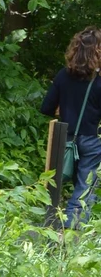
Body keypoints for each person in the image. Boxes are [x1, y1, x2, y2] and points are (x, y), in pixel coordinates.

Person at [44, 27, 101, 227]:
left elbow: (46, 107)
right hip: (91, 140)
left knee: (54, 185)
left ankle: (50, 223)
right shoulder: (99, 81)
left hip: (63, 139)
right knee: (85, 188)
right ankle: (72, 230)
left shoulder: (62, 76)